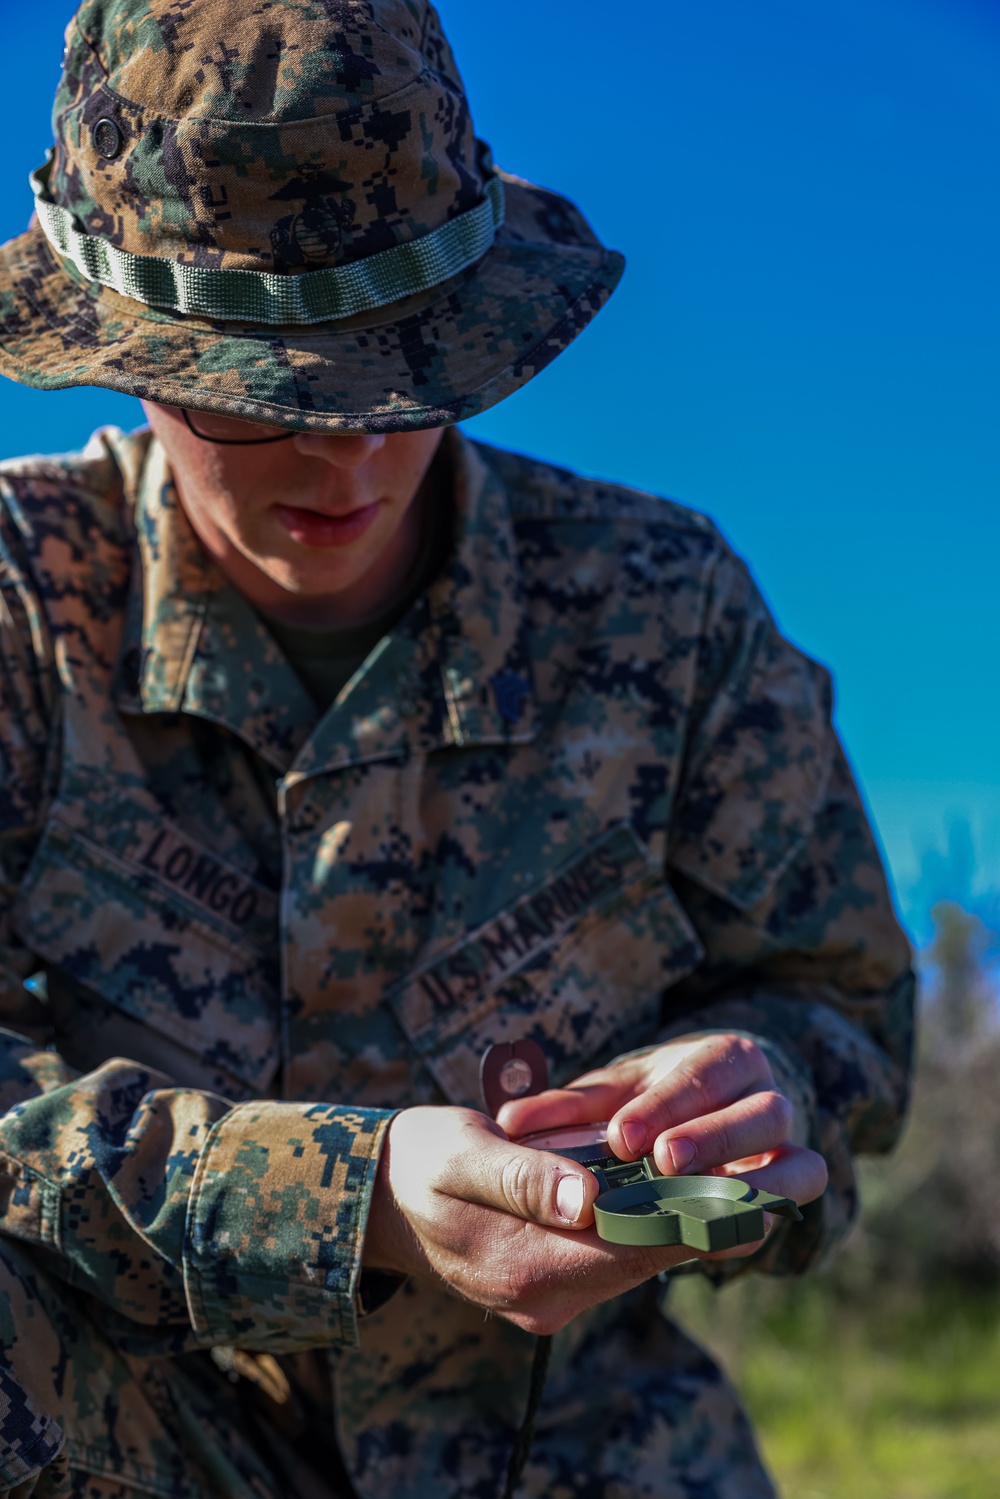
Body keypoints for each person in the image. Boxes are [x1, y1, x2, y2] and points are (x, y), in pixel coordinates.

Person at [0, 2, 914, 1496]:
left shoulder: (664, 612)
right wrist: (345, 1200)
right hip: (135, 1445)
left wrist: (767, 1088)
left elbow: (847, 1008)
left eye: (399, 371)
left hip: (584, 1454)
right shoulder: (23, 606)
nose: (345, 450)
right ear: (129, 354)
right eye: (262, 389)